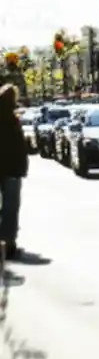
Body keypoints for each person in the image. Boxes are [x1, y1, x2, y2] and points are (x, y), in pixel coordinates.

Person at [0, 83, 29, 260]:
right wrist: (23, 167)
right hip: (11, 168)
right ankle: (8, 244)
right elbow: (19, 146)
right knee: (11, 207)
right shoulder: (13, 118)